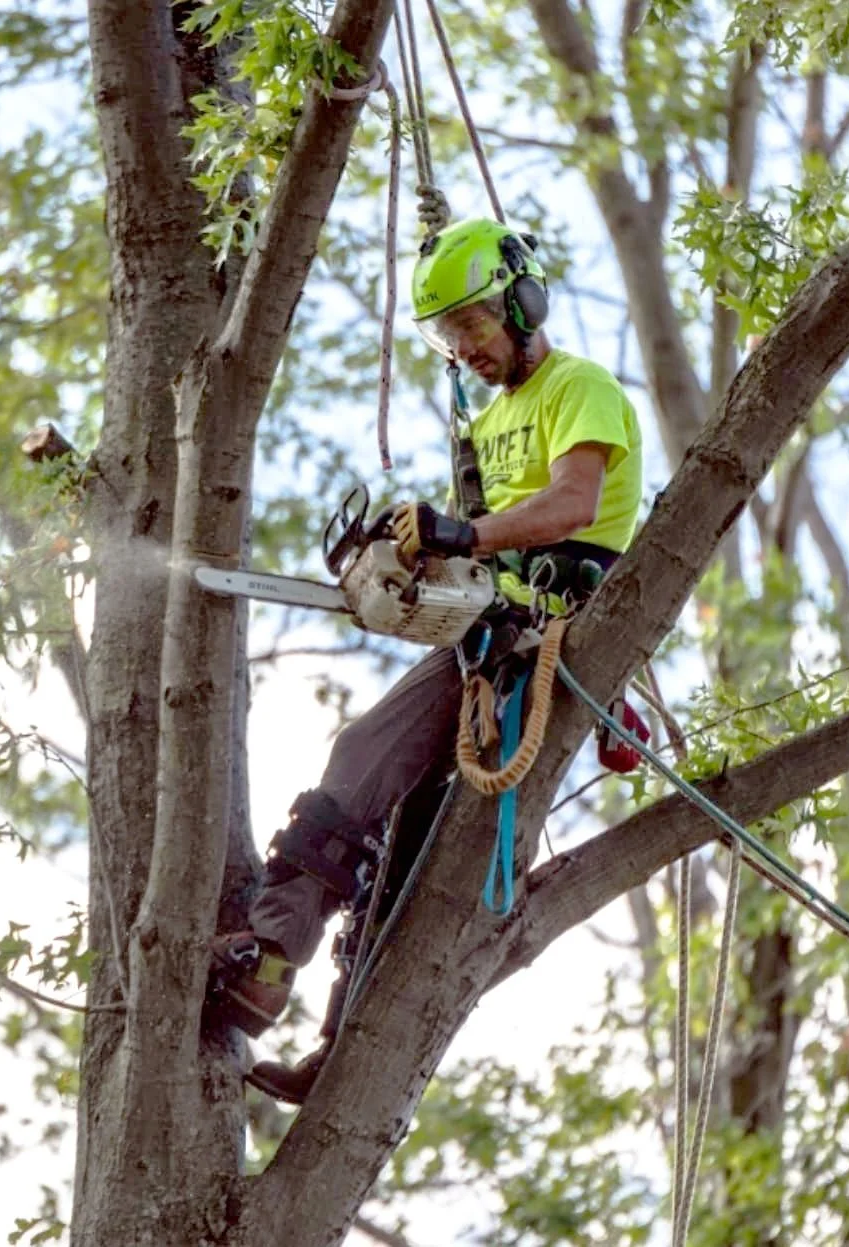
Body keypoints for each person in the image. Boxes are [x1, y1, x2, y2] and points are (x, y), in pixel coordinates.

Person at [209, 217, 643, 1103]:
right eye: (450, 337)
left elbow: (572, 502)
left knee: (410, 848)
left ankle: (339, 1042)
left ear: (522, 304)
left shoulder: (580, 386)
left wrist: (466, 530)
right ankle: (270, 961)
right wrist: (416, 552)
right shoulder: (484, 424)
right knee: (360, 769)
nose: (466, 349)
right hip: (482, 633)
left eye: (475, 325)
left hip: (550, 632)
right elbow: (473, 549)